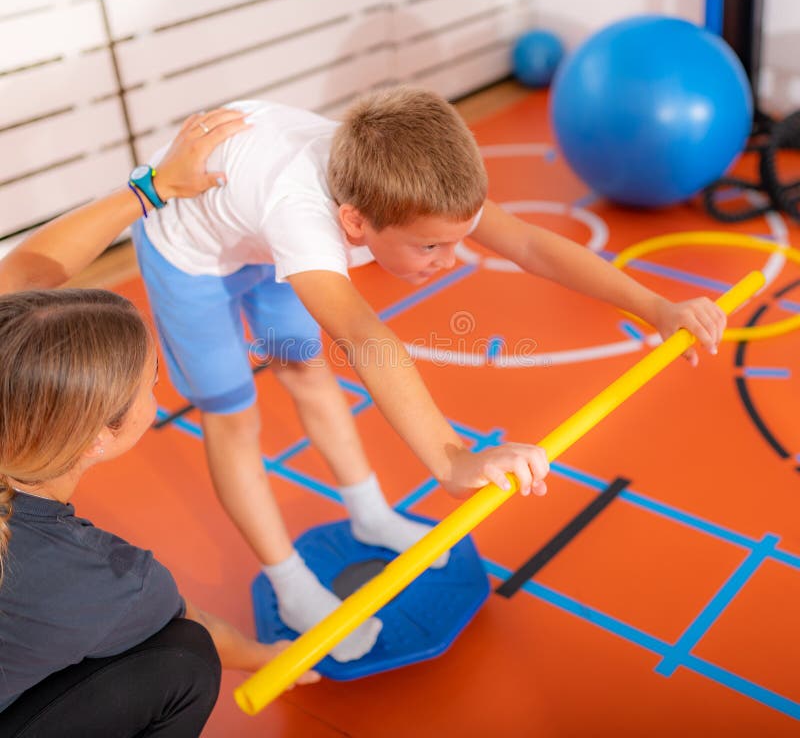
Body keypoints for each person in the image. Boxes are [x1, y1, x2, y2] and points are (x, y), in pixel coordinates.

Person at [133, 86, 727, 662]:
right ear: (354, 222)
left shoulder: (409, 186)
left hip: (257, 235)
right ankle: (289, 581)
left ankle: (371, 515)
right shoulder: (302, 219)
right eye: (430, 249)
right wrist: (452, 459)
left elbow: (528, 245)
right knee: (233, 417)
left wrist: (656, 307)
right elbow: (365, 337)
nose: (448, 261)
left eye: (456, 243)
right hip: (189, 252)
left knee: (307, 374)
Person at [0, 109, 318, 738]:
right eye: (149, 384)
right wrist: (272, 658)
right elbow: (196, 625)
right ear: (98, 438)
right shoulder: (96, 575)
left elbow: (21, 277)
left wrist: (155, 187)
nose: (159, 387)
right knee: (183, 658)